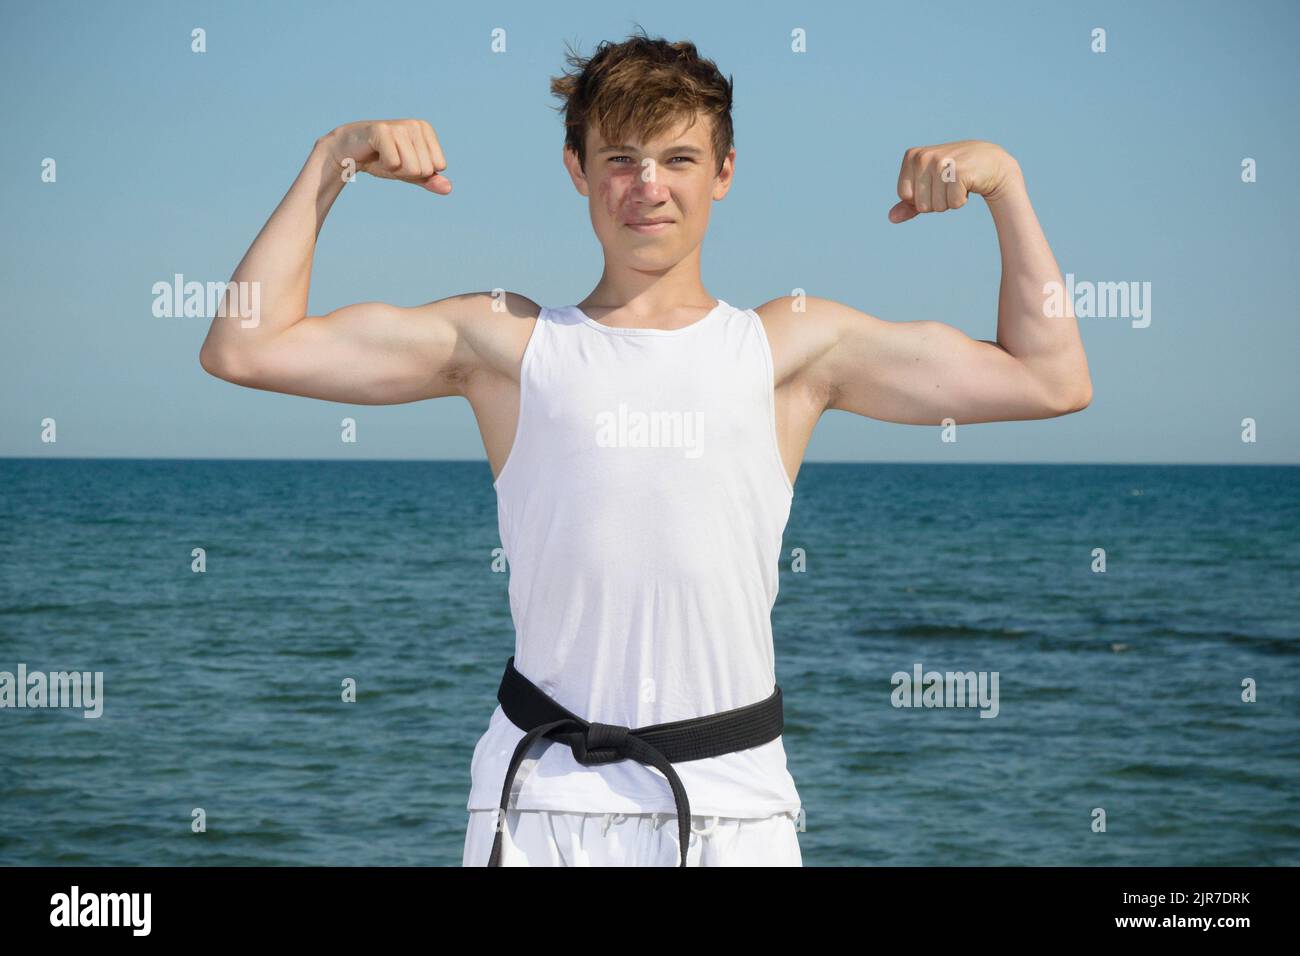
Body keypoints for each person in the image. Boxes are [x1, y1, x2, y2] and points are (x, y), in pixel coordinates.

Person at [198, 29, 1091, 867]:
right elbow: (245, 346)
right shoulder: (508, 344)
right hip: (536, 803)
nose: (647, 185)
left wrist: (1006, 188)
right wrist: (330, 163)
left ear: (725, 172)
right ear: (576, 169)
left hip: (732, 805)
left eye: (677, 158)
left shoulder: (792, 350)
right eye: (620, 158)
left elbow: (1051, 379)